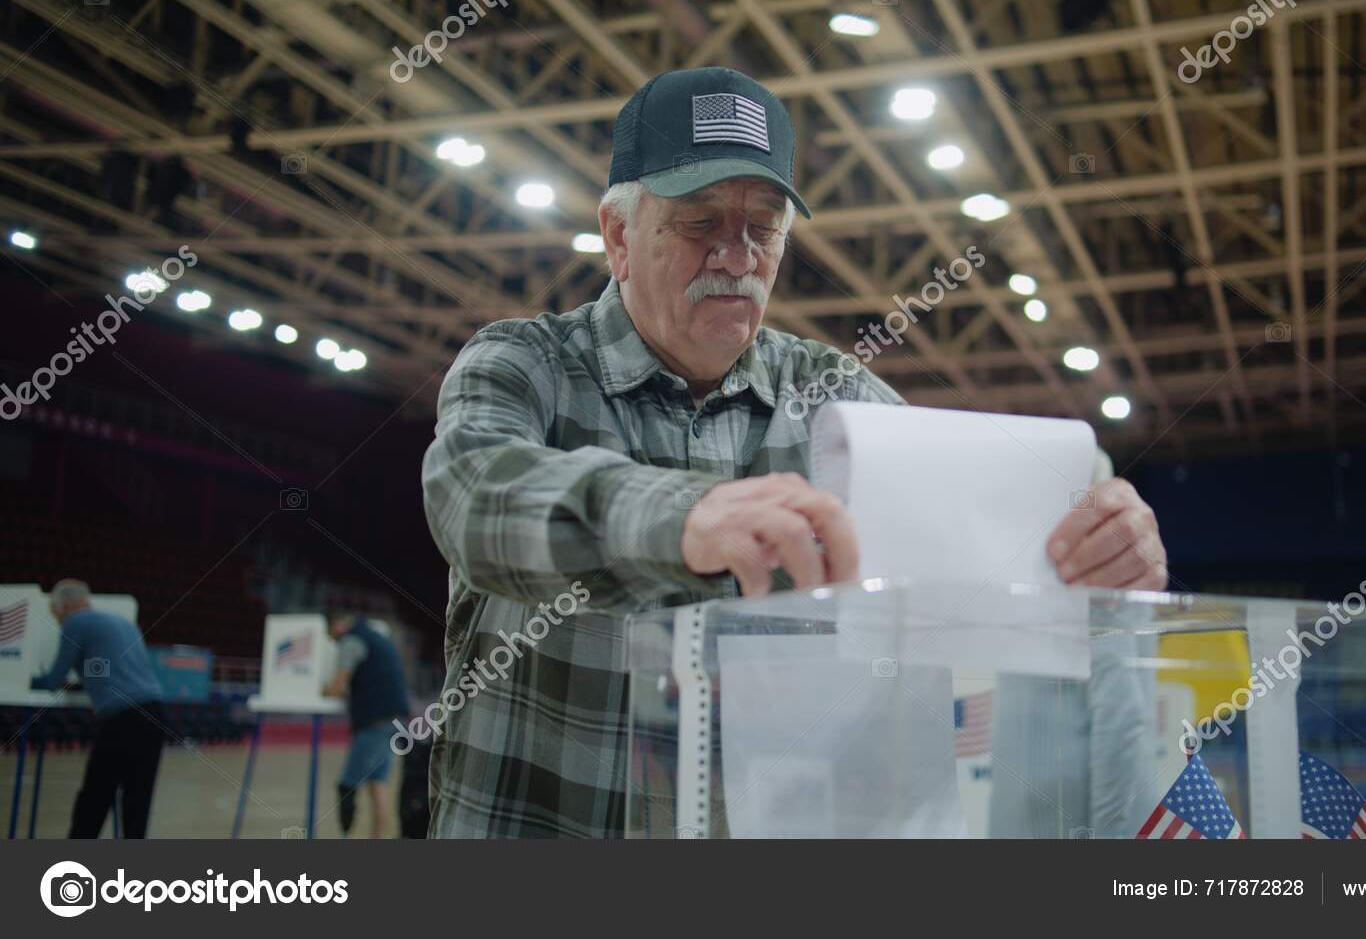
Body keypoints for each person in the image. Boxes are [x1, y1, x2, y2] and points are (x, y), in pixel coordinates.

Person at [421, 66, 1169, 838]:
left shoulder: (834, 396)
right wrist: (686, 516)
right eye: (700, 222)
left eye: (762, 228)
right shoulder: (524, 363)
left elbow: (988, 510)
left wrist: (1099, 532)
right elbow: (473, 493)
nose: (736, 256)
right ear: (618, 234)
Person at [30, 579, 166, 838]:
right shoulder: (122, 623)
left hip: (123, 719)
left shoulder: (75, 623)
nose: (57, 621)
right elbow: (116, 673)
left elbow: (52, 679)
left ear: (66, 605)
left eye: (56, 613)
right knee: (137, 801)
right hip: (154, 712)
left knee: (95, 797)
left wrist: (16, 677)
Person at [321, 613, 410, 838]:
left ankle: (348, 835)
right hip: (395, 716)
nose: (333, 642)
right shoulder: (377, 636)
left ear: (338, 624)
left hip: (375, 719)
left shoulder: (352, 640)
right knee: (377, 782)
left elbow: (338, 686)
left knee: (347, 786)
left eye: (332, 637)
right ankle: (377, 838)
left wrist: (323, 690)